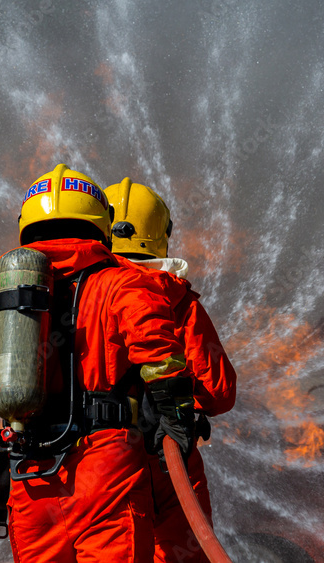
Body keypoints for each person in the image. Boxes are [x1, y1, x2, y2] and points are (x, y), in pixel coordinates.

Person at [0, 164, 197, 562]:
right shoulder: (121, 283)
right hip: (103, 470)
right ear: (101, 225)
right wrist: (176, 419)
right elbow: (159, 352)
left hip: (31, 474)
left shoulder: (3, 302)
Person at [104, 177, 238, 563]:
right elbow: (218, 393)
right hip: (167, 462)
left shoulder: (81, 294)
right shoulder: (175, 300)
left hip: (92, 469)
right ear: (161, 233)